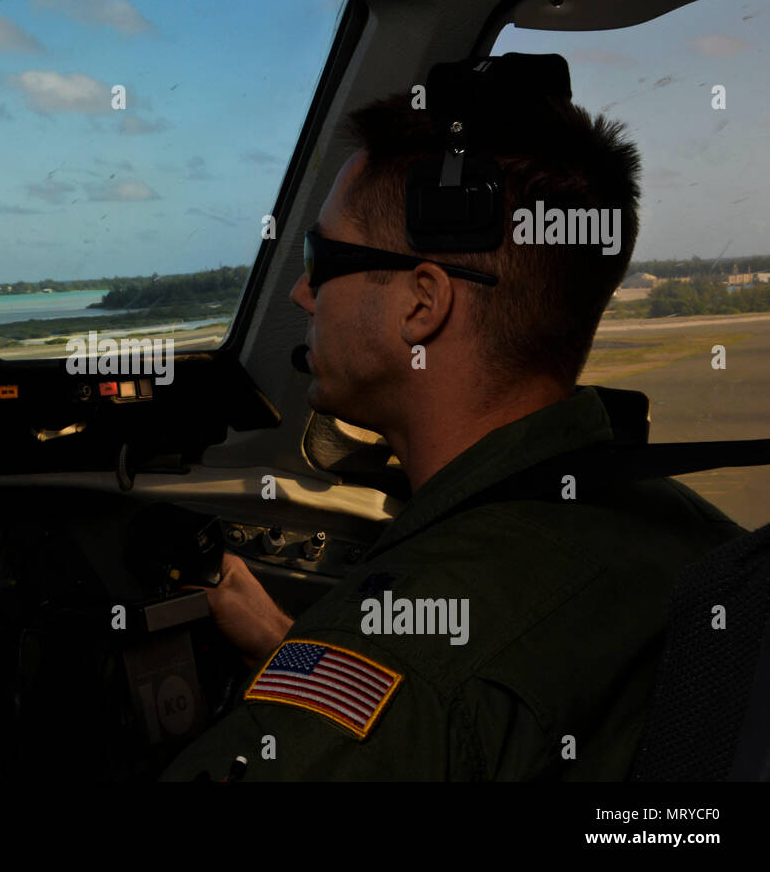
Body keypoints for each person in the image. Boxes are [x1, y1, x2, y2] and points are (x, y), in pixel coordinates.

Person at [161, 55, 747, 781]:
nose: (302, 296)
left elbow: (415, 697)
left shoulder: (404, 664)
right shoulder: (707, 540)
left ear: (422, 305)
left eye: (321, 256)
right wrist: (293, 653)